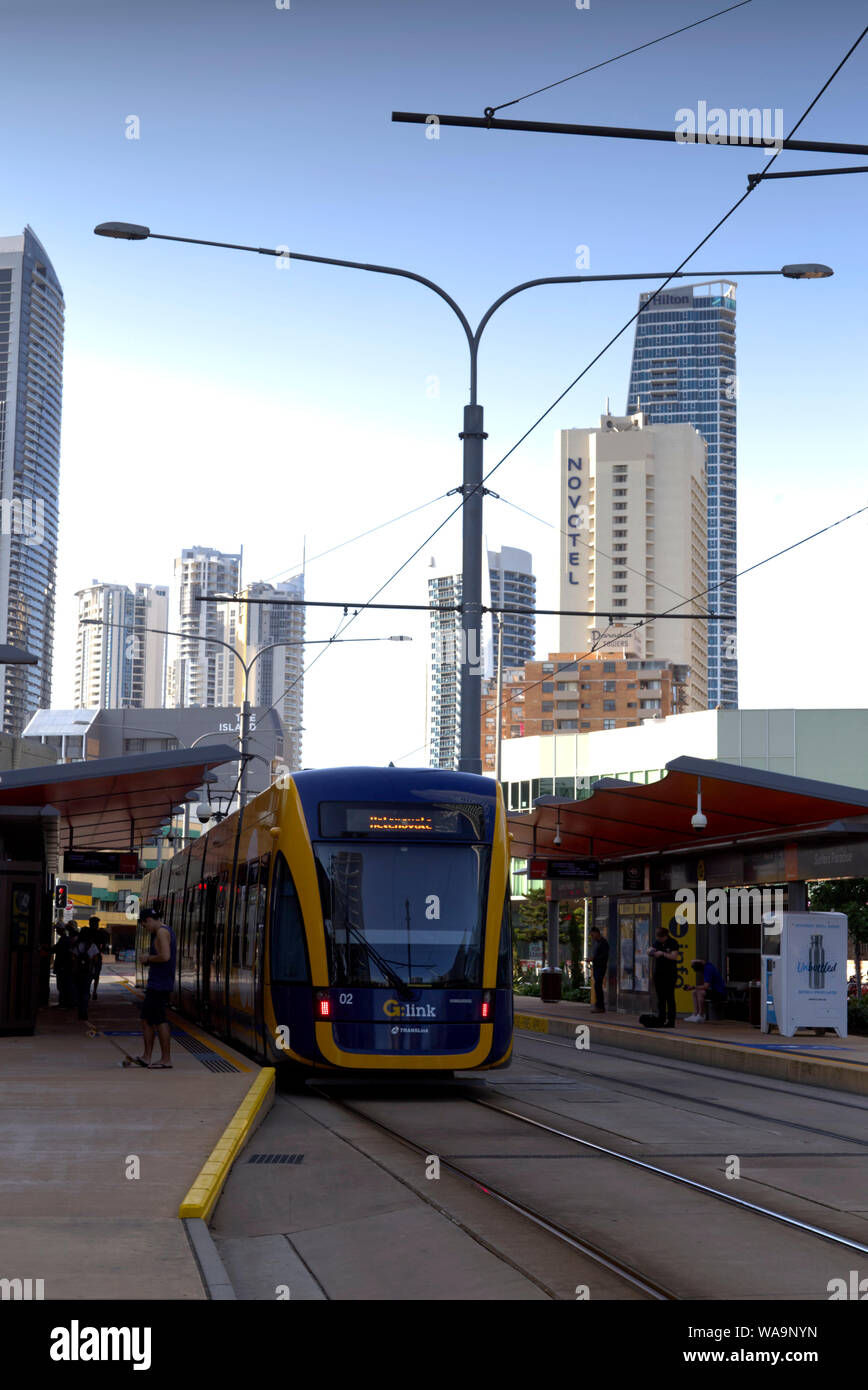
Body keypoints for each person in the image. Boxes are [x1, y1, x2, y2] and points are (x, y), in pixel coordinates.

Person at [135, 907, 175, 1069]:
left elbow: (165, 956)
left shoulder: (161, 932)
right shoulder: (166, 931)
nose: (146, 929)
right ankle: (147, 1056)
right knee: (147, 1019)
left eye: (145, 926)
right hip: (157, 983)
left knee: (159, 1019)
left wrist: (147, 958)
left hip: (160, 983)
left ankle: (166, 1059)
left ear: (148, 920)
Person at [650, 924, 681, 1027]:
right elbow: (650, 950)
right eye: (658, 938)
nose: (659, 940)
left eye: (661, 938)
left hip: (669, 974)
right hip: (658, 973)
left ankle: (671, 1021)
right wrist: (651, 951)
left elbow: (674, 956)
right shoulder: (657, 943)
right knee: (660, 998)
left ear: (665, 936)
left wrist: (662, 954)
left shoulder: (673, 943)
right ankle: (661, 1018)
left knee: (670, 998)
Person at [71, 926, 100, 1022]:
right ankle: (84, 1012)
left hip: (78, 973)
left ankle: (80, 1012)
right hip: (88, 973)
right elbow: (96, 960)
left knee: (79, 992)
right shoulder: (93, 946)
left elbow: (73, 958)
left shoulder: (78, 945)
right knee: (86, 992)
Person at [686, 957, 727, 1022]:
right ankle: (695, 1014)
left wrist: (693, 987)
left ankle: (701, 1015)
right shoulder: (707, 964)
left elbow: (705, 986)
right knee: (694, 992)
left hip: (720, 993)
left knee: (700, 992)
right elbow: (696, 961)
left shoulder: (708, 970)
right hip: (714, 991)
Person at [587, 927, 610, 1013]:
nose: (592, 937)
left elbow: (604, 956)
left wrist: (593, 958)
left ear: (597, 933)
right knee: (597, 987)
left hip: (601, 967)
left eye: (593, 935)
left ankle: (600, 1006)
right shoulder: (598, 943)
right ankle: (599, 1005)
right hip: (597, 967)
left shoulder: (603, 943)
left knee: (598, 986)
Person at [52, 923, 74, 1008]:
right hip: (64, 966)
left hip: (63, 966)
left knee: (62, 985)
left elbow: (56, 949)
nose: (56, 931)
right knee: (63, 985)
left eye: (57, 929)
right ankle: (64, 1002)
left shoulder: (64, 940)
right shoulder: (65, 939)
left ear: (61, 930)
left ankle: (64, 1003)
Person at [88, 916, 104, 1000]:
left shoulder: (99, 933)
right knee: (93, 975)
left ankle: (93, 991)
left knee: (94, 975)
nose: (97, 925)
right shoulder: (89, 932)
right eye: (96, 923)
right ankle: (93, 991)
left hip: (95, 957)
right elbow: (103, 945)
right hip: (89, 957)